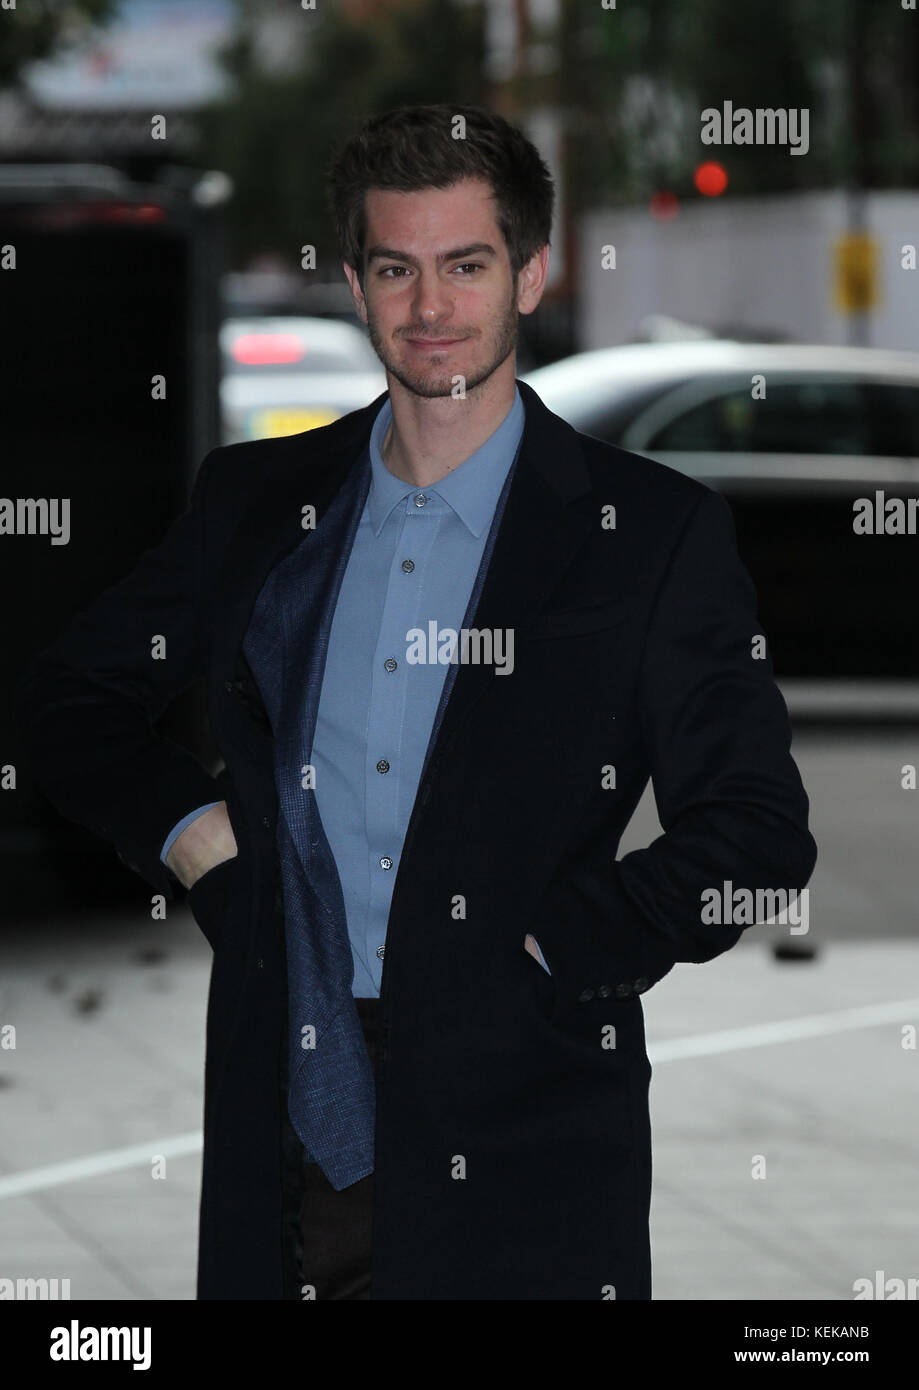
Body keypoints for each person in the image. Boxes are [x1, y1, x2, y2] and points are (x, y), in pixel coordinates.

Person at [16, 103, 817, 1300]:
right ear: (354, 281)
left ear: (530, 273)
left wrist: (557, 948)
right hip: (292, 1086)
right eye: (397, 268)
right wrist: (204, 846)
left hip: (529, 1114)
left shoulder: (645, 533)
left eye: (465, 266)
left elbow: (758, 831)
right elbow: (67, 701)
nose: (430, 308)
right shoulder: (260, 499)